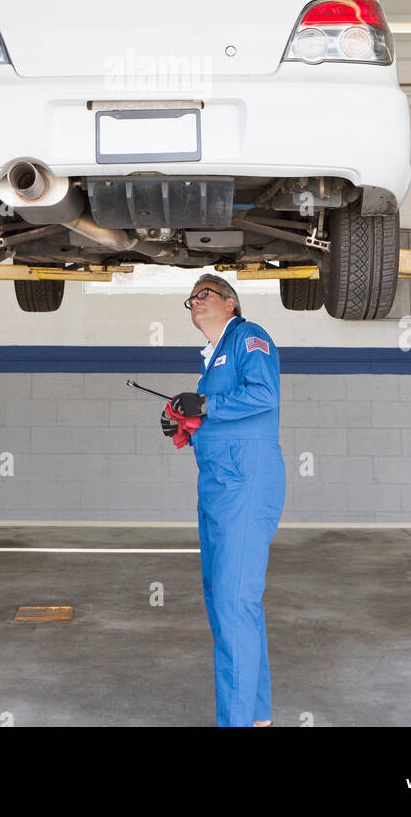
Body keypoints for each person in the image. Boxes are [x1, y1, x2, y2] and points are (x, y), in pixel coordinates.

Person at [167, 274, 286, 728]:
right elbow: (217, 414)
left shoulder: (249, 337)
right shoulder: (212, 360)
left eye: (205, 295)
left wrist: (205, 408)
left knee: (234, 603)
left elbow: (263, 394)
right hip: (219, 487)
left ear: (230, 303)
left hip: (245, 484)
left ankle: (236, 722)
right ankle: (256, 717)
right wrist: (185, 425)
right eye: (191, 298)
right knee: (229, 602)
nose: (195, 302)